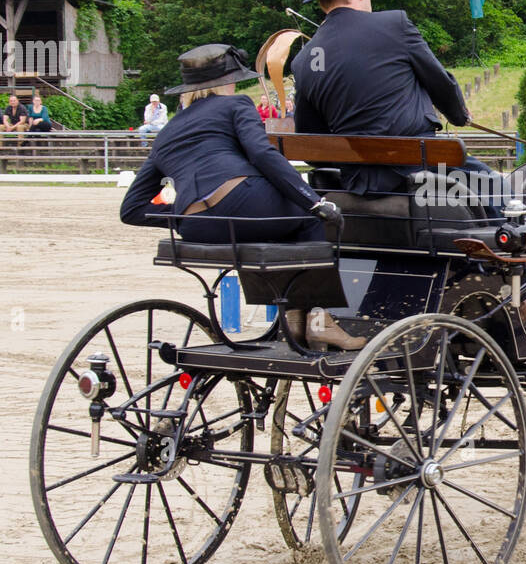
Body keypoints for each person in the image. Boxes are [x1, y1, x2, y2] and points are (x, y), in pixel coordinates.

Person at [291, 0, 526, 321]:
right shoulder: (393, 25)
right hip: (421, 173)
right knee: (505, 191)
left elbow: (311, 141)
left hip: (357, 188)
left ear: (323, 3)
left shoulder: (305, 60)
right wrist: (459, 115)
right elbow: (439, 80)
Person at [120, 43, 361, 350]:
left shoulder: (167, 132)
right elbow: (263, 154)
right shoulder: (235, 105)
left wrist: (181, 219)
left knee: (282, 221)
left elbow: (131, 210)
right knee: (307, 218)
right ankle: (318, 321)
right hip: (240, 204)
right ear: (228, 82)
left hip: (196, 226)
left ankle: (296, 319)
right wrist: (314, 201)